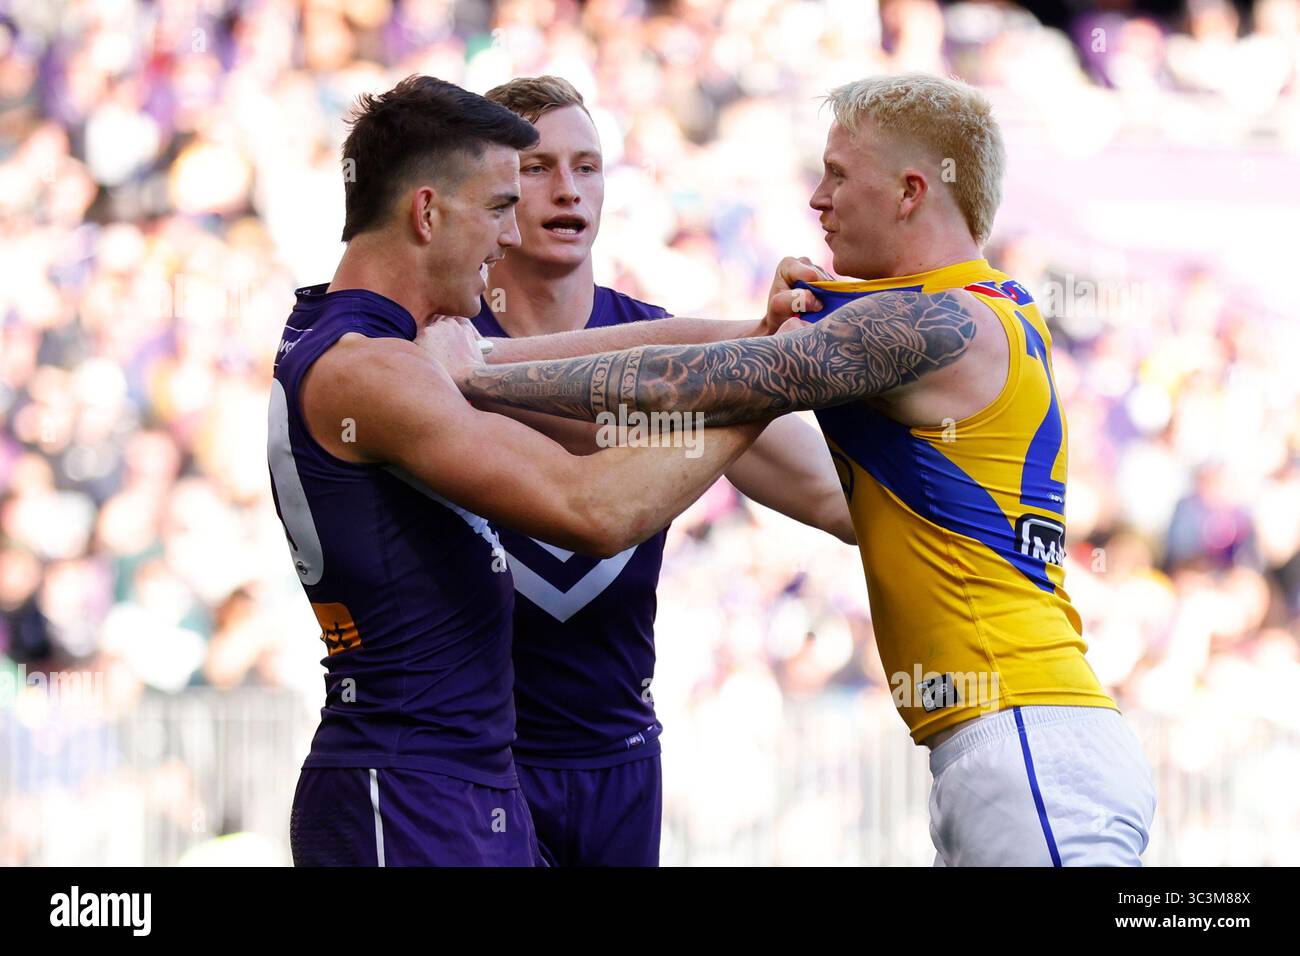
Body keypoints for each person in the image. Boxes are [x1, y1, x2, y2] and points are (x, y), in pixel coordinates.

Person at [429, 73, 1158, 867]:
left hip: (1025, 737)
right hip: (1010, 740)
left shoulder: (934, 322)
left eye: (839, 175)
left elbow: (703, 379)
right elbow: (737, 360)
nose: (817, 199)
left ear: (912, 191)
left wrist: (480, 371)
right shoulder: (959, 307)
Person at [268, 75, 766, 867]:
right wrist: (770, 385)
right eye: (500, 206)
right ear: (427, 213)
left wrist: (757, 338)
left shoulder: (380, 344)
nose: (508, 238)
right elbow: (593, 509)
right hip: (405, 794)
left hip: (458, 789)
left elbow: (554, 358)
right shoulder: (370, 371)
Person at [441, 75, 853, 868]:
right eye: (538, 168)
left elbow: (837, 501)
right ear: (488, 186)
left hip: (617, 761)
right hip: (477, 766)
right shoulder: (434, 346)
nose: (568, 190)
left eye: (588, 167)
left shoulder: (669, 347)